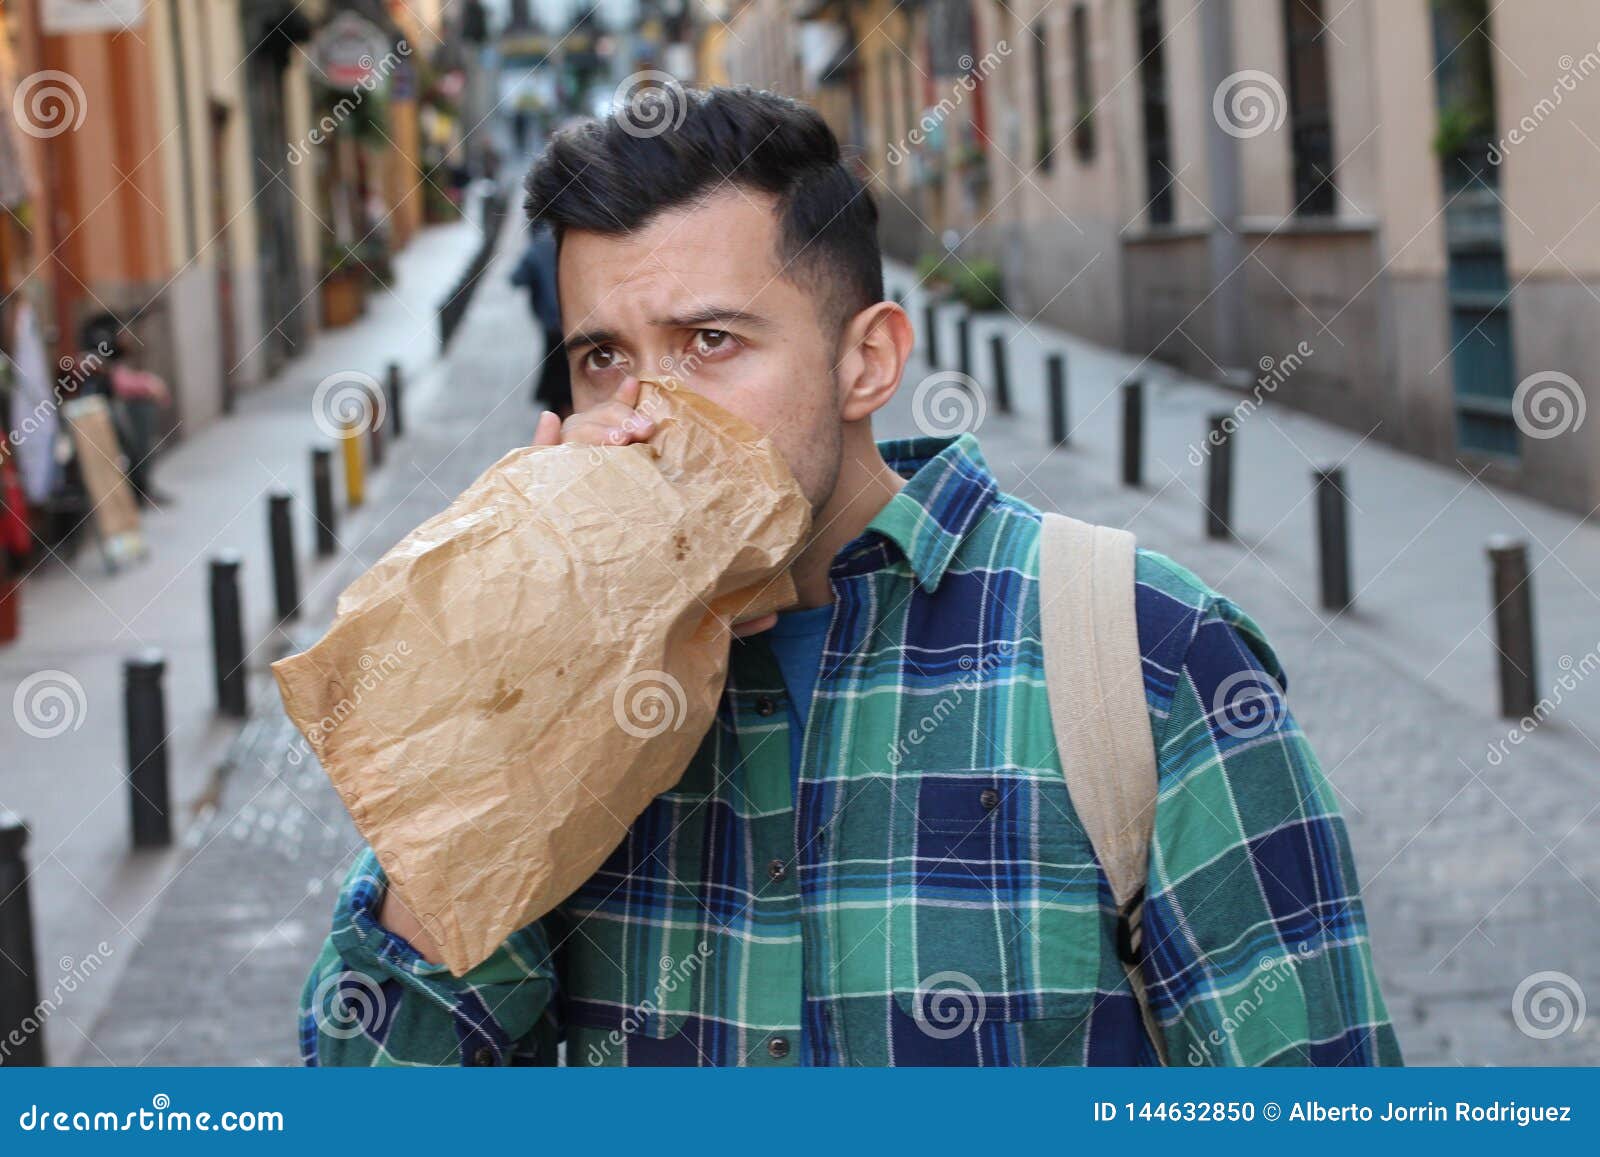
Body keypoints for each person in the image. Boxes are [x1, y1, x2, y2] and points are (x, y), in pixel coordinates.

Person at [302, 86, 1401, 1067]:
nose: (645, 414)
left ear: (865, 360)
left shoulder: (1146, 658)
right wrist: (496, 739)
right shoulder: (538, 677)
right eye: (604, 359)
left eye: (709, 343)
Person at [79, 313, 174, 508]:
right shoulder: (98, 360)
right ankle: (136, 493)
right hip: (103, 410)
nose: (127, 337)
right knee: (130, 451)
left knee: (135, 450)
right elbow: (116, 380)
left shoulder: (110, 361)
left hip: (112, 406)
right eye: (123, 333)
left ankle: (140, 491)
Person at [509, 223, 571, 417]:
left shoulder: (538, 246)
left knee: (557, 379)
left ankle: (559, 420)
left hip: (552, 325)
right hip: (576, 322)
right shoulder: (572, 240)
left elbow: (516, 279)